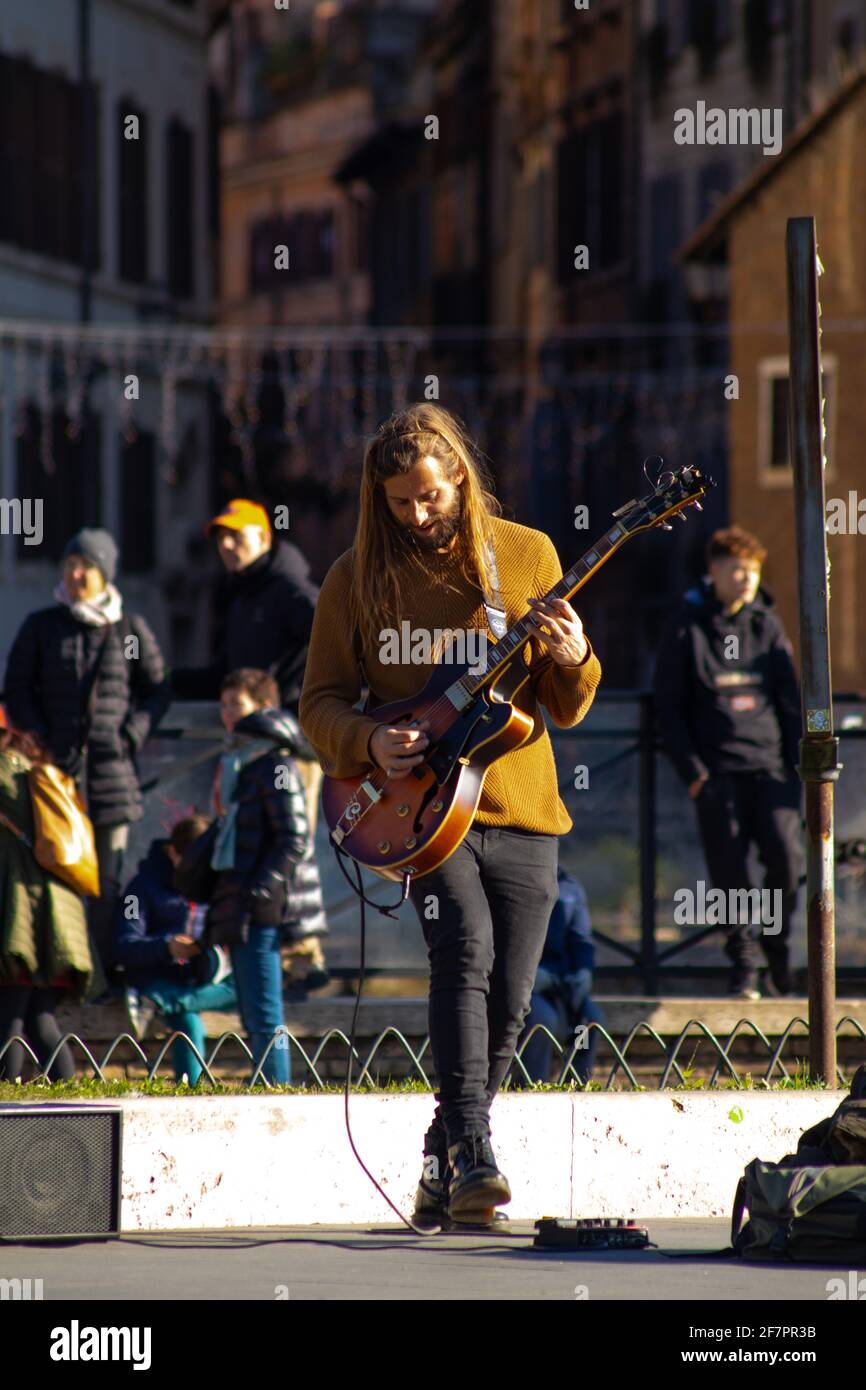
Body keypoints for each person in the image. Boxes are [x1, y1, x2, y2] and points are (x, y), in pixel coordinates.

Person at [298, 402, 602, 1226]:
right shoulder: (354, 578)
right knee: (461, 950)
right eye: (397, 502)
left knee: (512, 992)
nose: (416, 515)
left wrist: (575, 658)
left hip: (522, 806)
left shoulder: (528, 554)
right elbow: (317, 704)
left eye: (428, 496)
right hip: (426, 814)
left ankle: (444, 1152)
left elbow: (565, 706)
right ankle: (475, 1147)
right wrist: (368, 737)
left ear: (459, 475)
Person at [3, 528, 170, 989]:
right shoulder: (42, 627)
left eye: (86, 567)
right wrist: (38, 738)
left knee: (108, 882)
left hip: (114, 777)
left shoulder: (129, 630)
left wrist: (133, 734)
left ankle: (106, 976)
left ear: (104, 574)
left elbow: (158, 689)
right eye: (70, 565)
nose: (75, 574)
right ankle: (64, 974)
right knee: (58, 874)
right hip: (57, 778)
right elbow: (16, 686)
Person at [171, 499, 327, 989]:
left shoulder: (288, 589)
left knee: (289, 844)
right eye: (221, 539)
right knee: (259, 846)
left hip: (289, 744)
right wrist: (166, 682)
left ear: (263, 537)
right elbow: (224, 674)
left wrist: (309, 706)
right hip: (250, 745)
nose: (226, 546)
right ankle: (282, 959)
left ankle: (301, 957)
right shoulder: (240, 596)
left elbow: (335, 641)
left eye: (236, 536)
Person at [653, 526, 803, 1000]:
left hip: (772, 771)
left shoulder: (767, 626)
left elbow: (790, 703)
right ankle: (745, 966)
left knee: (787, 859)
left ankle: (777, 951)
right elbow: (667, 709)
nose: (746, 579)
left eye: (753, 571)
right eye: (737, 569)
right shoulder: (686, 626)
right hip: (717, 776)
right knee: (731, 875)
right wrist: (694, 774)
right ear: (713, 571)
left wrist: (799, 766)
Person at [206, 668, 327, 1085]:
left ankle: (277, 1094)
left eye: (236, 704)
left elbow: (293, 837)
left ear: (264, 709)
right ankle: (268, 1086)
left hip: (262, 906)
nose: (227, 714)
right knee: (253, 1011)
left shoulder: (275, 763)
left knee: (265, 1012)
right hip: (240, 900)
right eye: (223, 704)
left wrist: (260, 888)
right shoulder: (242, 761)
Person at [113, 816, 237, 1085]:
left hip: (201, 981)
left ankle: (167, 1002)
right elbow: (124, 945)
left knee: (251, 988)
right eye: (190, 861)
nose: (196, 870)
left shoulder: (215, 882)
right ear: (172, 852)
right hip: (159, 976)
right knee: (190, 1024)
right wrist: (167, 947)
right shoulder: (140, 889)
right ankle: (190, 1093)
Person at [0, 727, 93, 1081]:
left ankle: (5, 1109)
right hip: (57, 921)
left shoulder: (5, 773)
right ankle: (69, 1103)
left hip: (22, 918)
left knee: (8, 1023)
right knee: (41, 1023)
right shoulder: (41, 775)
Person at [516, 865, 604, 1086]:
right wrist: (526, 976)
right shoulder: (519, 881)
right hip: (528, 984)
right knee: (542, 1020)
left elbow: (581, 940)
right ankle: (533, 1085)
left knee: (591, 1021)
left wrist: (584, 972)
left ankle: (575, 1085)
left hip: (562, 982)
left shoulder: (570, 888)